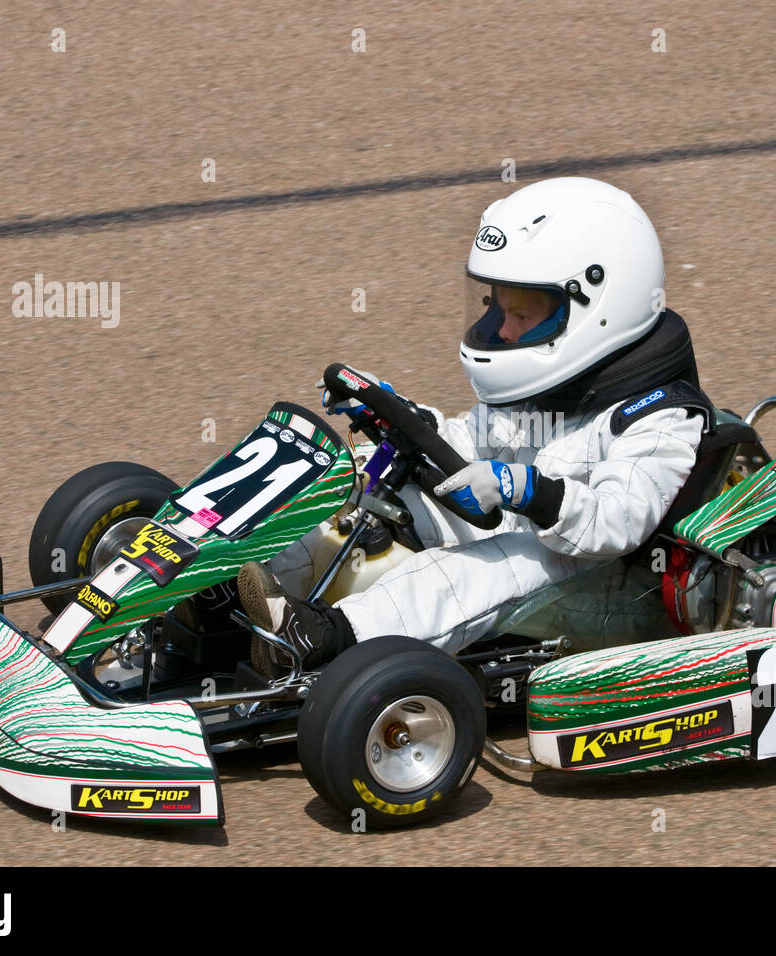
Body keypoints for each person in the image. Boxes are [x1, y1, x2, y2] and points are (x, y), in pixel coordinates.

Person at [237, 176, 716, 669]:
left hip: (605, 591)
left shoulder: (660, 417)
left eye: (523, 315)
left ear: (597, 308)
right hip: (515, 530)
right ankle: (234, 584)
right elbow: (470, 446)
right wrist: (403, 420)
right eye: (498, 307)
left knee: (467, 573)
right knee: (363, 493)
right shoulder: (554, 383)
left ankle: (322, 639)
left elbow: (619, 521)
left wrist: (528, 491)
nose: (504, 331)